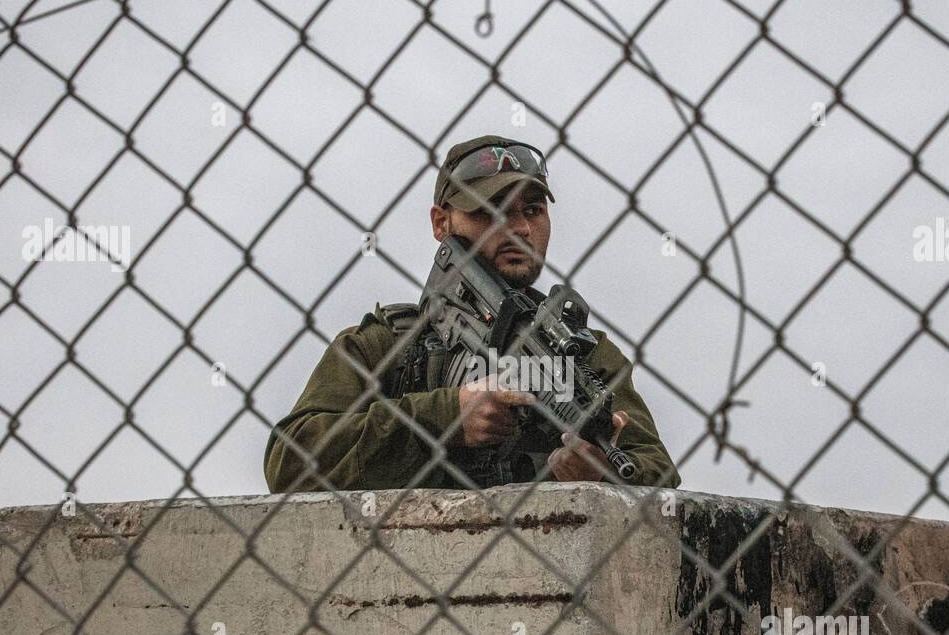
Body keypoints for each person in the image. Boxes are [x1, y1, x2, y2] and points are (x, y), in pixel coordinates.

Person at [263, 134, 681, 494]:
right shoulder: (384, 345)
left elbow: (655, 472)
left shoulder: (581, 352)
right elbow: (289, 460)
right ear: (441, 222)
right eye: (490, 209)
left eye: (533, 210)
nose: (520, 228)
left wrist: (595, 476)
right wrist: (447, 415)